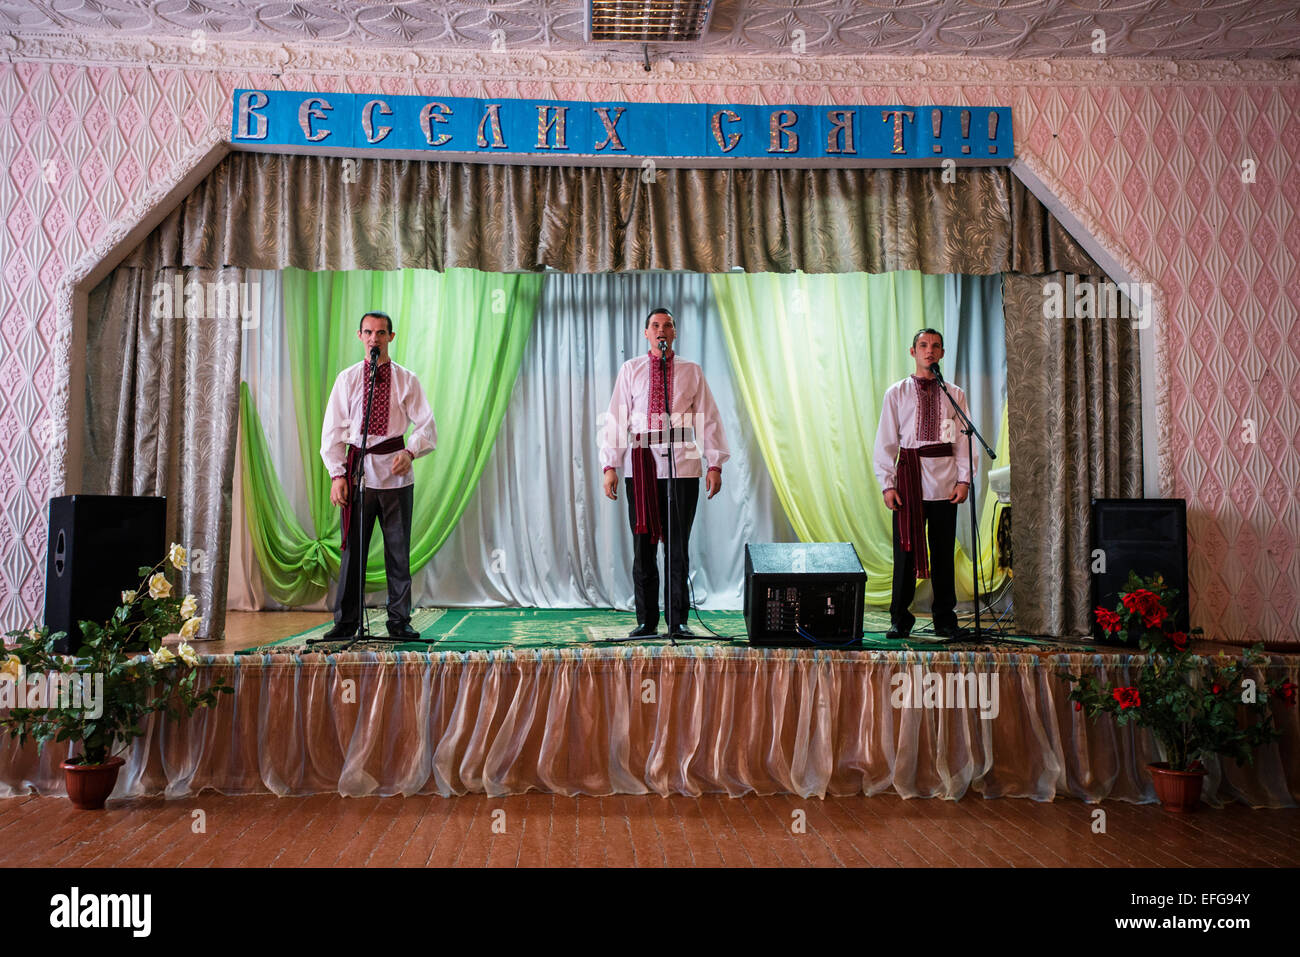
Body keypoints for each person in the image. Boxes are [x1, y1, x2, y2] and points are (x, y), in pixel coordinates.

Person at [600, 308, 730, 638]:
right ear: (646, 333)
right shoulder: (631, 370)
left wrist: (714, 463)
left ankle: (678, 620)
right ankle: (646, 620)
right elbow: (616, 418)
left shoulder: (691, 371)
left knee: (676, 546)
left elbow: (709, 418)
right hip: (640, 466)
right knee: (643, 546)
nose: (661, 330)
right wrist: (610, 465)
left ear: (674, 333)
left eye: (667, 325)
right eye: (655, 325)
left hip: (682, 466)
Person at [320, 311, 437, 639]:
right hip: (358, 475)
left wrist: (410, 451)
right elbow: (332, 430)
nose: (375, 339)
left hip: (396, 478)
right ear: (360, 336)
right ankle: (346, 622)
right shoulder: (347, 379)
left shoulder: (406, 379)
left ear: (391, 337)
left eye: (381, 333)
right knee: (353, 551)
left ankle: (399, 620)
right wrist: (337, 474)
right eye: (369, 332)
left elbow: (427, 424)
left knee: (398, 552)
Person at [873, 328, 973, 640]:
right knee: (904, 553)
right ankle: (900, 619)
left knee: (943, 554)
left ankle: (944, 619)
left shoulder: (954, 394)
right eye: (923, 345)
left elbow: (963, 442)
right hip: (909, 483)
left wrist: (964, 479)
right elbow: (886, 442)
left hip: (944, 484)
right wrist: (887, 484)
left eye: (935, 346)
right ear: (913, 351)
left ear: (942, 353)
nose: (929, 351)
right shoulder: (897, 393)